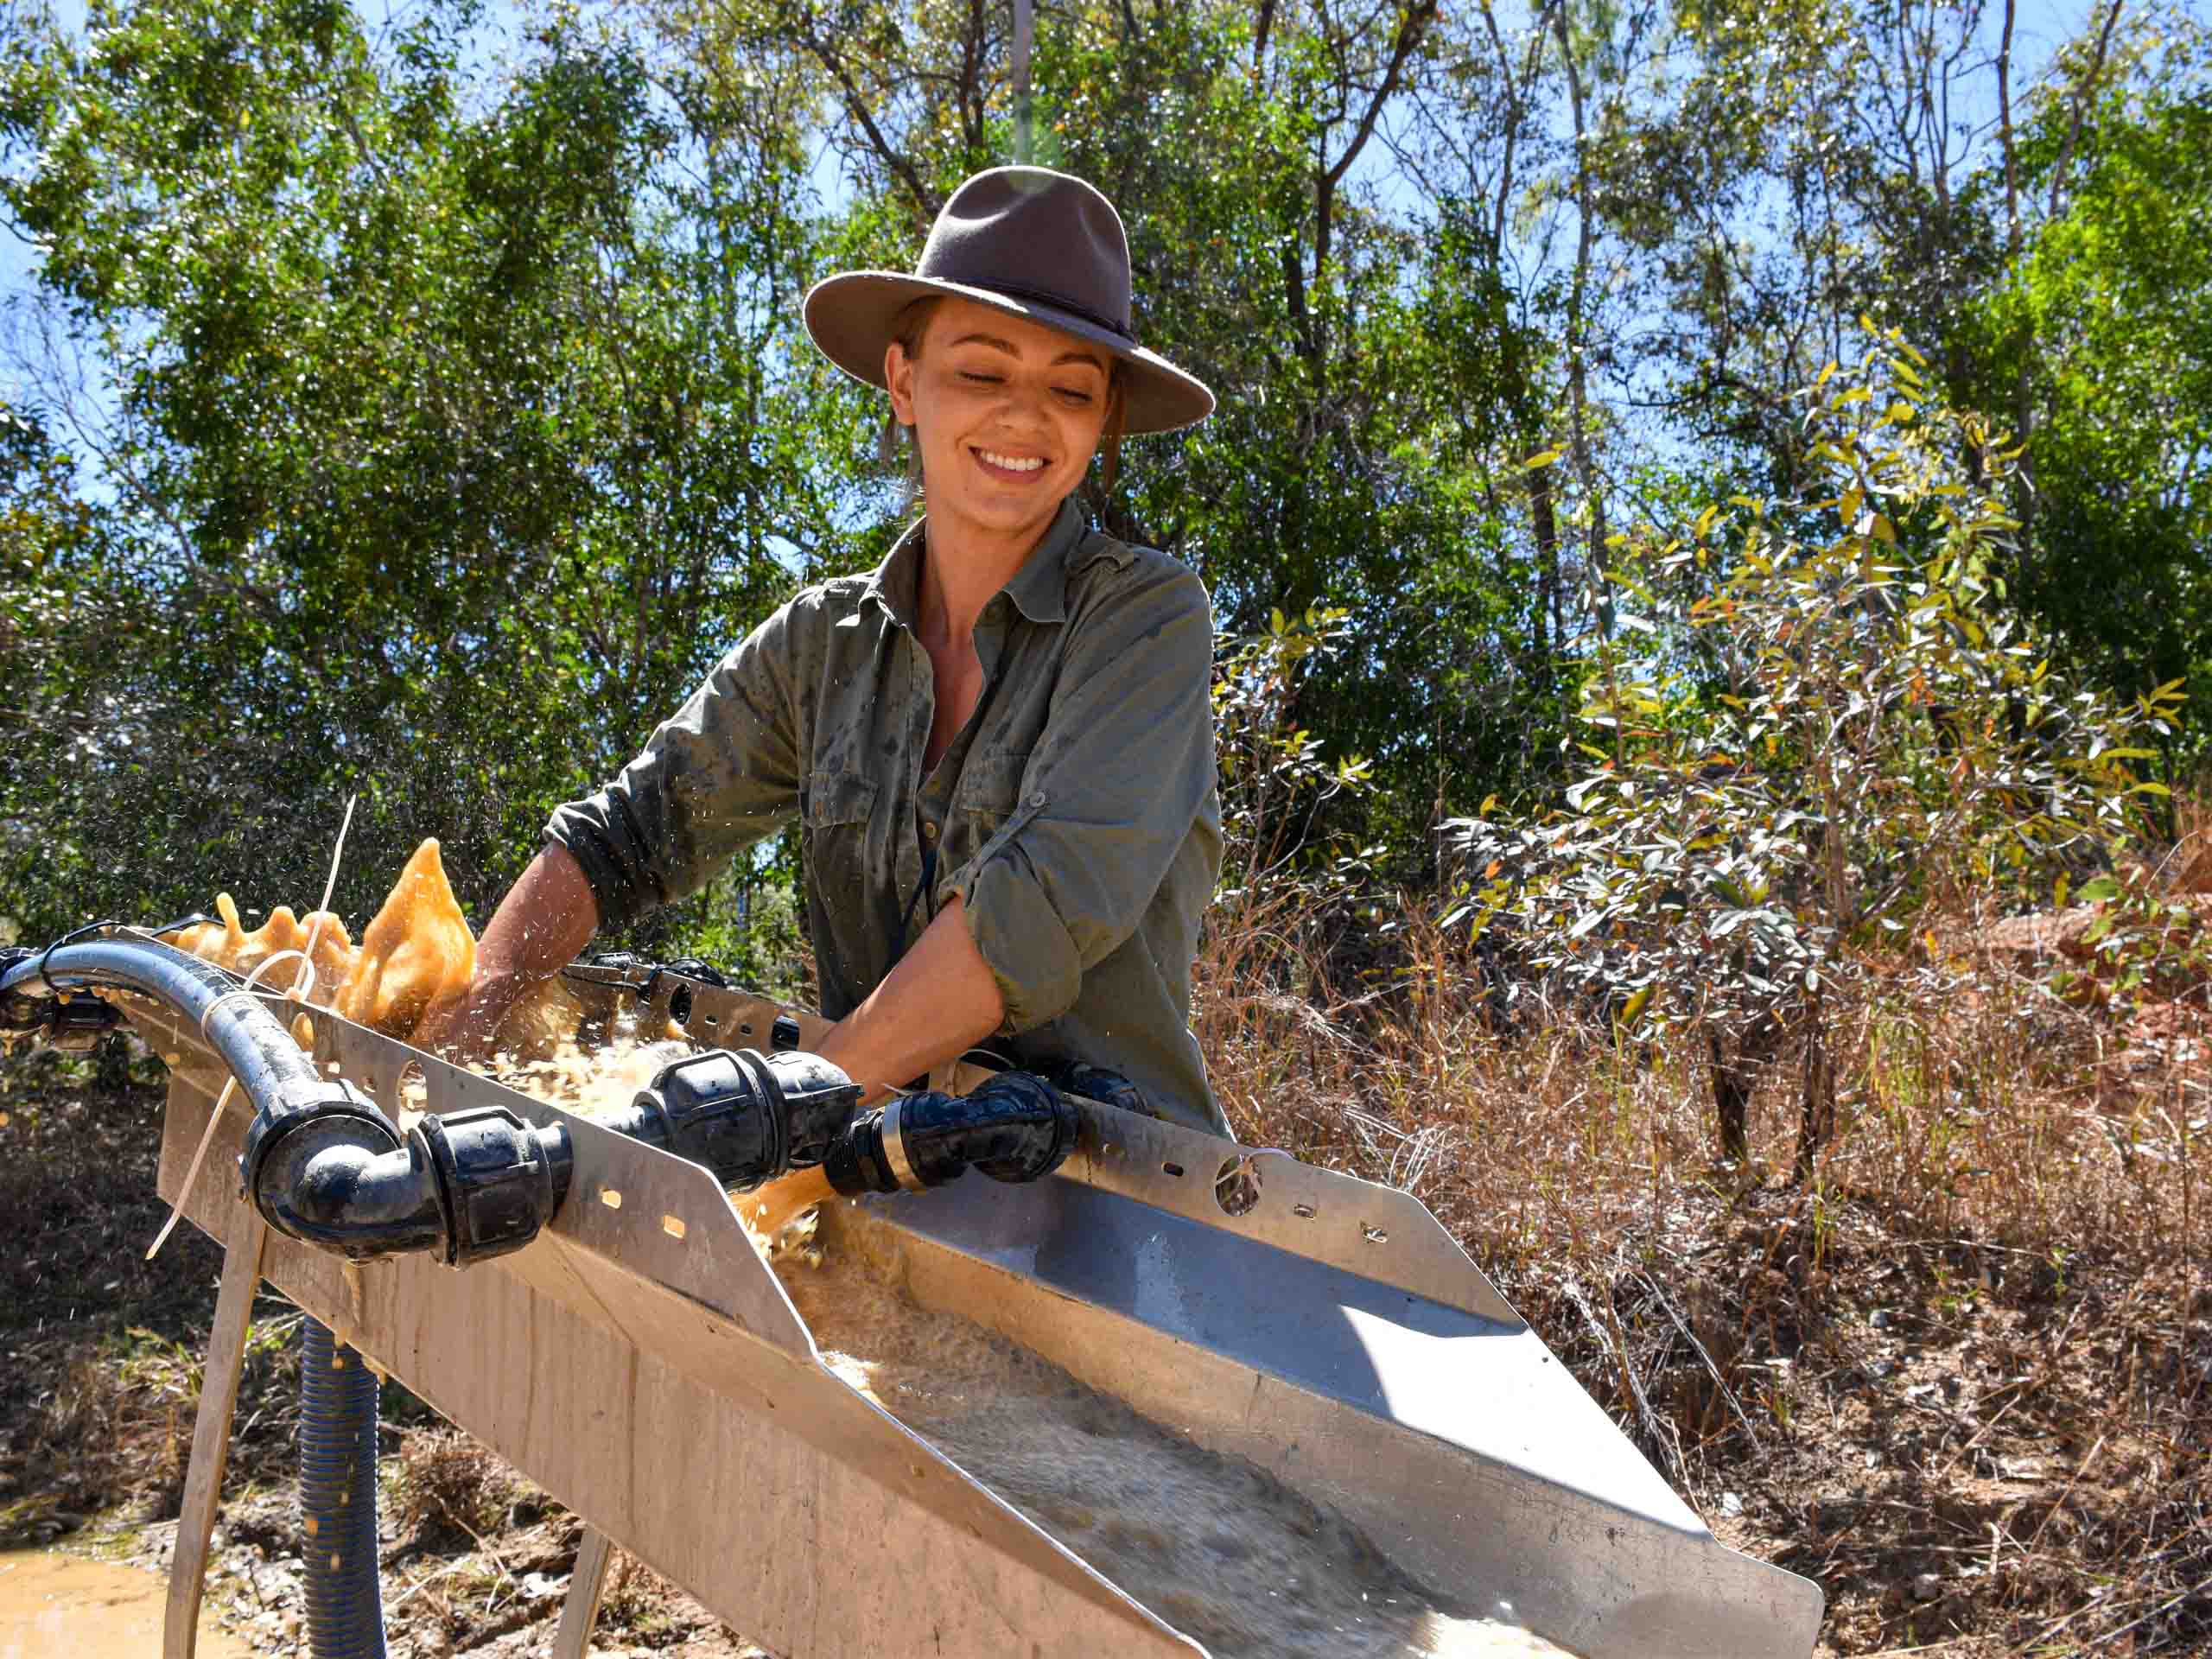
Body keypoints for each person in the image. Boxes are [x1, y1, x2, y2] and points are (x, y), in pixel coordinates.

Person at [419, 167, 1230, 1135]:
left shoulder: (1145, 621)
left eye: (1070, 388)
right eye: (981, 370)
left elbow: (1036, 908)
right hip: (871, 1162)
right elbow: (624, 836)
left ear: (1101, 423)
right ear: (903, 381)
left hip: (1116, 1203)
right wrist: (460, 1038)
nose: (1024, 415)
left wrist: (778, 1120)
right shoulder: (820, 645)